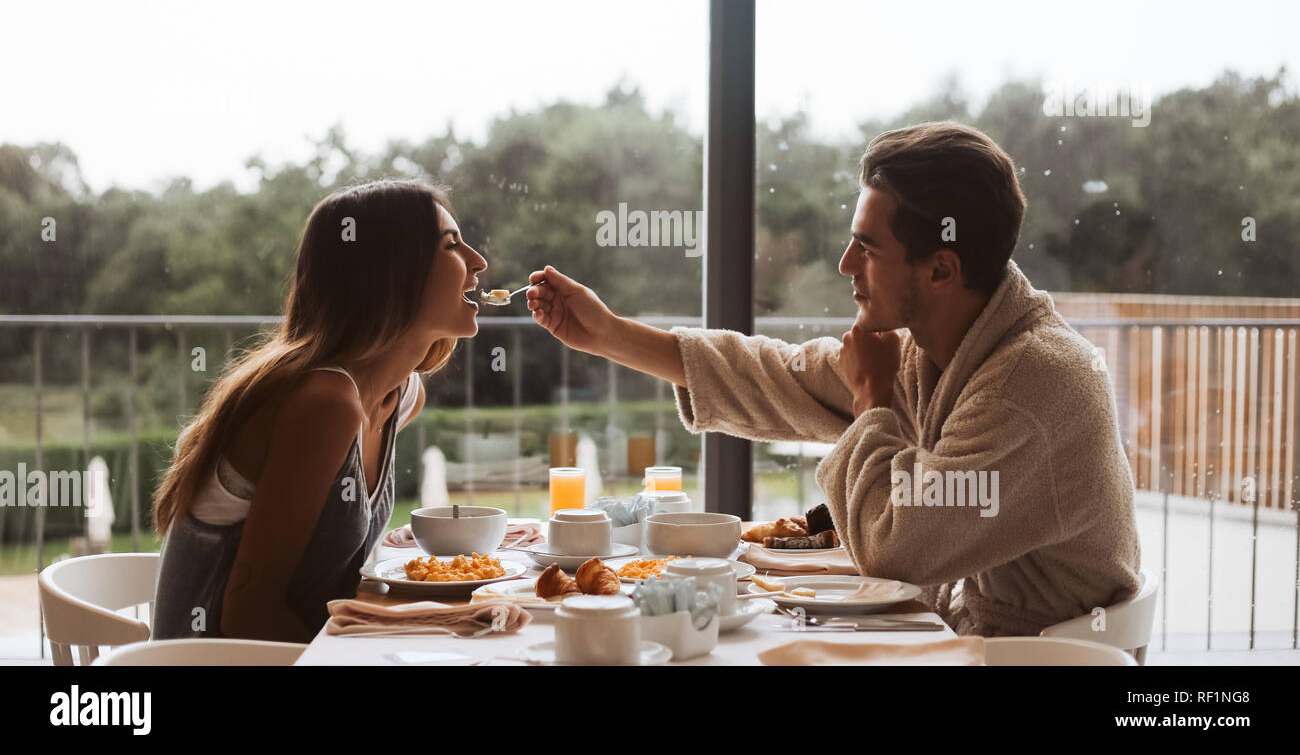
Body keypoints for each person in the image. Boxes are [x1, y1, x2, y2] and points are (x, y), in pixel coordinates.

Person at [526, 121, 1142, 637]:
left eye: (867, 249)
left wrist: (873, 399)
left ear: (941, 269)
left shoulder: (1030, 385)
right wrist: (607, 333)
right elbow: (782, 376)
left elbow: (895, 546)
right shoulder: (948, 350)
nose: (846, 265)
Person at [151, 180, 487, 642]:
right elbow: (249, 613)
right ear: (390, 270)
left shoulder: (400, 396)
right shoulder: (325, 403)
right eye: (452, 245)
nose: (478, 262)